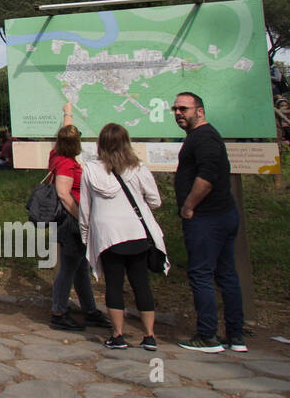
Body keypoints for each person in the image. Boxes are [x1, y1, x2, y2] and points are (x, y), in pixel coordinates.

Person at [79, 123, 168, 350]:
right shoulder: (138, 169)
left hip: (108, 236)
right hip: (136, 233)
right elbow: (156, 201)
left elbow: (85, 208)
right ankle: (149, 335)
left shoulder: (91, 169)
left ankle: (117, 334)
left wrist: (85, 234)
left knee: (114, 285)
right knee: (141, 284)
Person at [172, 91, 245, 353]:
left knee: (202, 274)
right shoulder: (201, 137)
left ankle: (207, 335)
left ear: (199, 111)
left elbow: (207, 178)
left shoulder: (204, 138)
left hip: (208, 218)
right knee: (226, 275)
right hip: (220, 215)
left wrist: (189, 206)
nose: (179, 113)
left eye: (184, 109)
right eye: (175, 109)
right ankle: (235, 337)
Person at [48, 105, 110, 331]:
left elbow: (66, 133)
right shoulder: (66, 163)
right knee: (69, 267)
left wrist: (67, 114)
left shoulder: (57, 153)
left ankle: (90, 309)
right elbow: (64, 194)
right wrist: (83, 220)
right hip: (70, 221)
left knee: (80, 266)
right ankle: (58, 312)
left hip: (72, 220)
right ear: (76, 144)